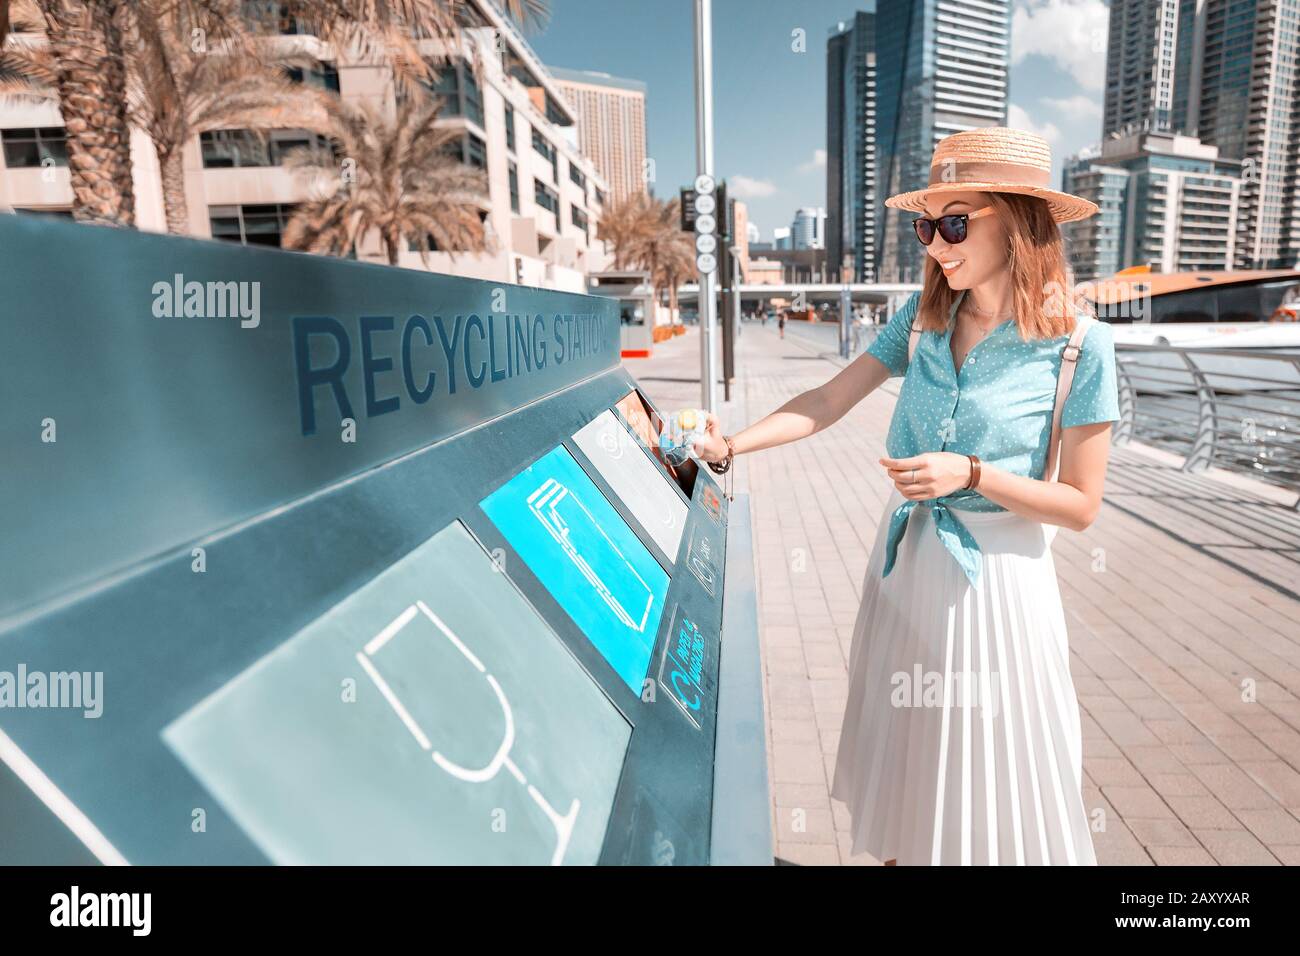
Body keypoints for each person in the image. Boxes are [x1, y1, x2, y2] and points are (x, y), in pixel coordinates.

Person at [692, 127, 1117, 865]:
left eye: (956, 222)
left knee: (988, 791)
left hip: (999, 594)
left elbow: (1081, 505)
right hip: (907, 571)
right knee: (909, 777)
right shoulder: (922, 320)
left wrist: (973, 474)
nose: (936, 243)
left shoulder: (1081, 346)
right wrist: (730, 447)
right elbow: (828, 399)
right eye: (927, 225)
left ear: (1018, 219)